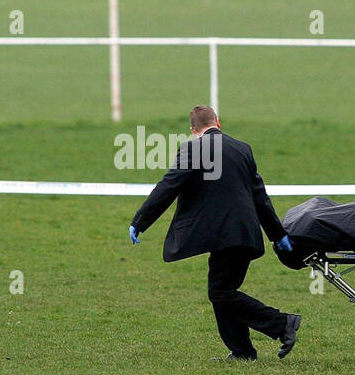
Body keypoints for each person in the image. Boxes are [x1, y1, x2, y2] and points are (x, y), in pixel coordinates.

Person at [129, 106, 301, 361]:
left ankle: (282, 323)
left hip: (223, 236)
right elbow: (260, 197)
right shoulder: (243, 149)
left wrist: (140, 221)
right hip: (245, 233)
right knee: (222, 291)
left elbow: (169, 186)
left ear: (193, 130)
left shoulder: (192, 149)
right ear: (218, 123)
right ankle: (242, 352)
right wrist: (278, 234)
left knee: (221, 293)